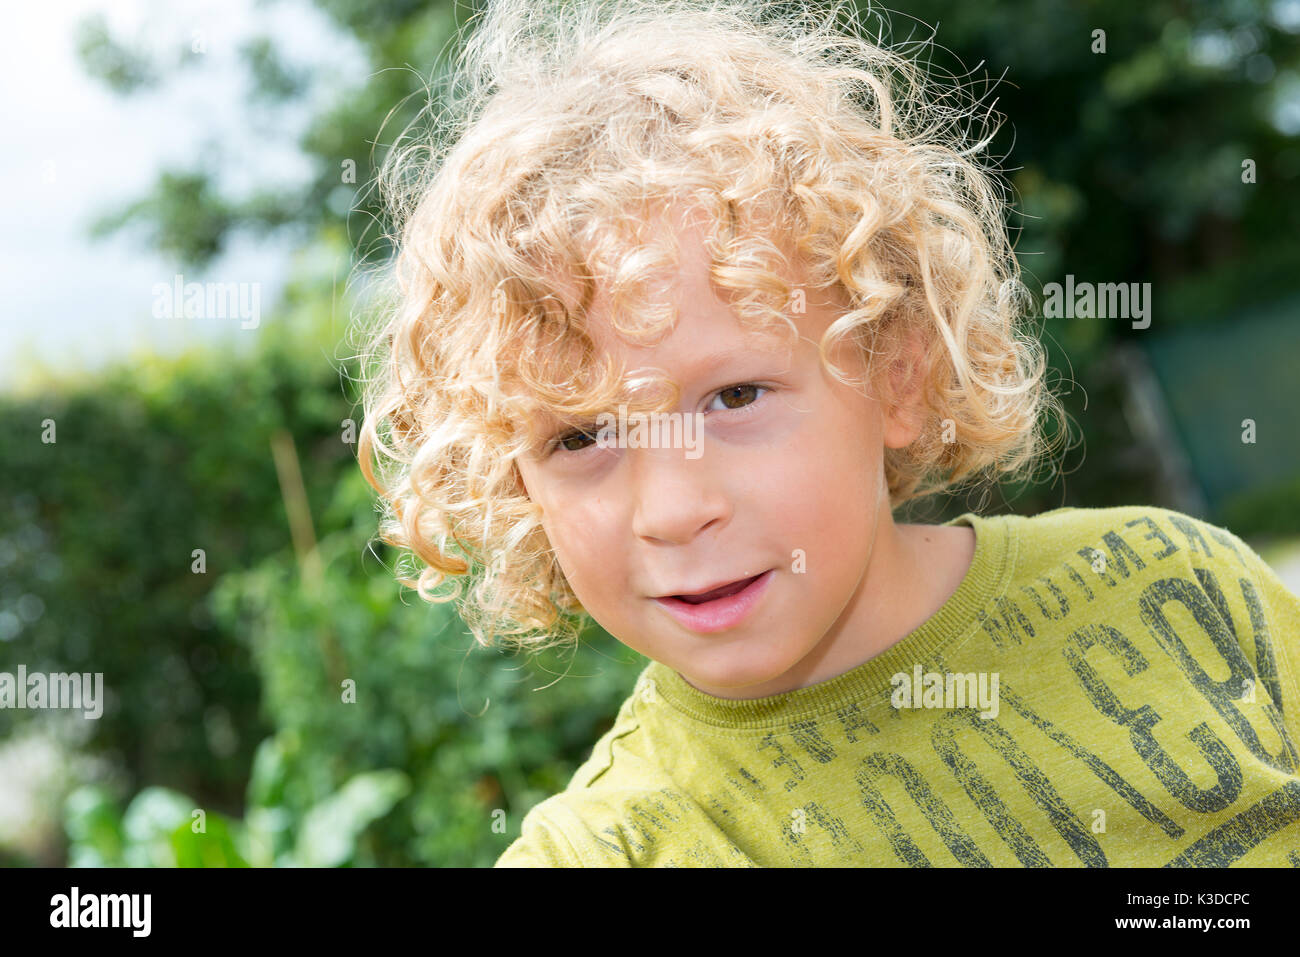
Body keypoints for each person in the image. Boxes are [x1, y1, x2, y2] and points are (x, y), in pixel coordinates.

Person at [356, 0, 1300, 866]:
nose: (675, 510)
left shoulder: (1179, 587)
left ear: (896, 374)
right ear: (516, 482)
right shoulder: (609, 852)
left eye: (733, 398)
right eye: (580, 437)